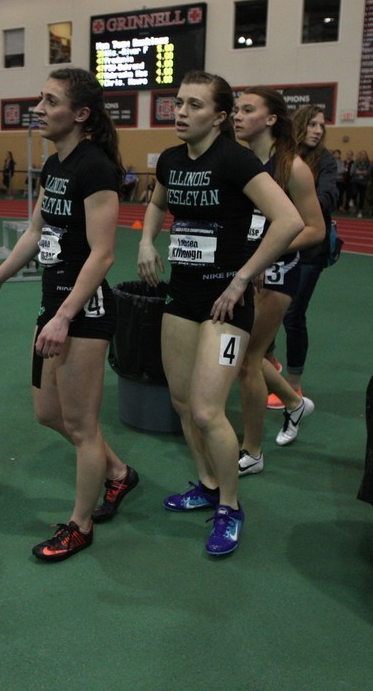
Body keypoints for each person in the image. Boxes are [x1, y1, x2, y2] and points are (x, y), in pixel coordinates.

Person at [0, 68, 136, 562]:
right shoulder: (55, 166)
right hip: (54, 304)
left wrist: (64, 316)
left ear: (81, 114)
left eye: (50, 101)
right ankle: (118, 473)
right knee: (48, 413)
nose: (38, 109)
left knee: (82, 425)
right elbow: (34, 232)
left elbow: (103, 254)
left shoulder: (96, 168)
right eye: (40, 99)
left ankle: (80, 526)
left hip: (83, 310)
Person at [137, 71, 302, 556]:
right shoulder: (171, 160)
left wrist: (242, 277)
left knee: (208, 410)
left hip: (226, 304)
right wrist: (146, 240)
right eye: (178, 103)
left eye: (194, 105)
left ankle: (230, 507)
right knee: (183, 402)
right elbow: (158, 203)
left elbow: (289, 220)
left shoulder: (235, 159)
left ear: (219, 116)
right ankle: (208, 484)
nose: (180, 112)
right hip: (181, 297)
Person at [232, 92, 325, 472]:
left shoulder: (293, 168)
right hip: (244, 272)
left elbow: (315, 229)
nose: (237, 116)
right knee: (244, 355)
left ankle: (252, 452)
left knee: (246, 360)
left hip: (277, 272)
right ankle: (294, 403)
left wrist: (265, 254)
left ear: (271, 119)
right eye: (236, 110)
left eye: (247, 110)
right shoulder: (241, 162)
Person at [276, 104, 338, 412]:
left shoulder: (324, 160)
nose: (317, 130)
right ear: (299, 125)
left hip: (310, 250)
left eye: (321, 126)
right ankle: (269, 362)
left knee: (293, 315)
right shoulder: (284, 156)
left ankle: (293, 382)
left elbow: (328, 196)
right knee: (266, 308)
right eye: (312, 124)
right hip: (279, 243)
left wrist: (303, 203)